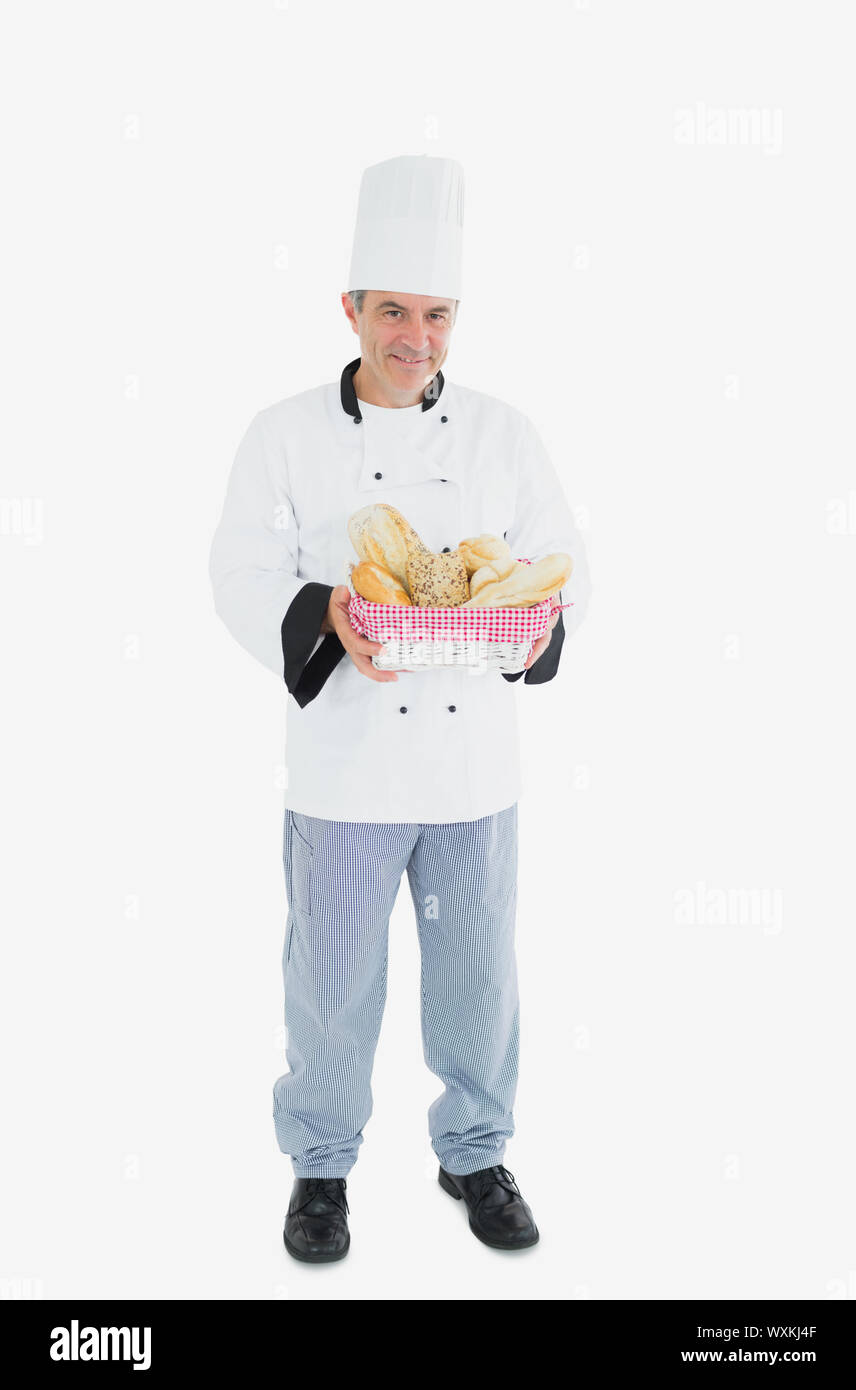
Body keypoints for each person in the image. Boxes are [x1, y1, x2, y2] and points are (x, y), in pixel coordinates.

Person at [209, 154, 591, 1263]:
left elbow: (560, 560)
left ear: (451, 319)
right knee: (330, 981)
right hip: (342, 765)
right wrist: (327, 606)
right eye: (391, 311)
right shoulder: (282, 433)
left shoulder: (501, 434)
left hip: (474, 774)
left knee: (478, 975)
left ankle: (472, 1150)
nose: (412, 335)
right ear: (351, 310)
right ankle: (320, 1170)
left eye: (432, 314)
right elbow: (236, 572)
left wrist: (532, 627)